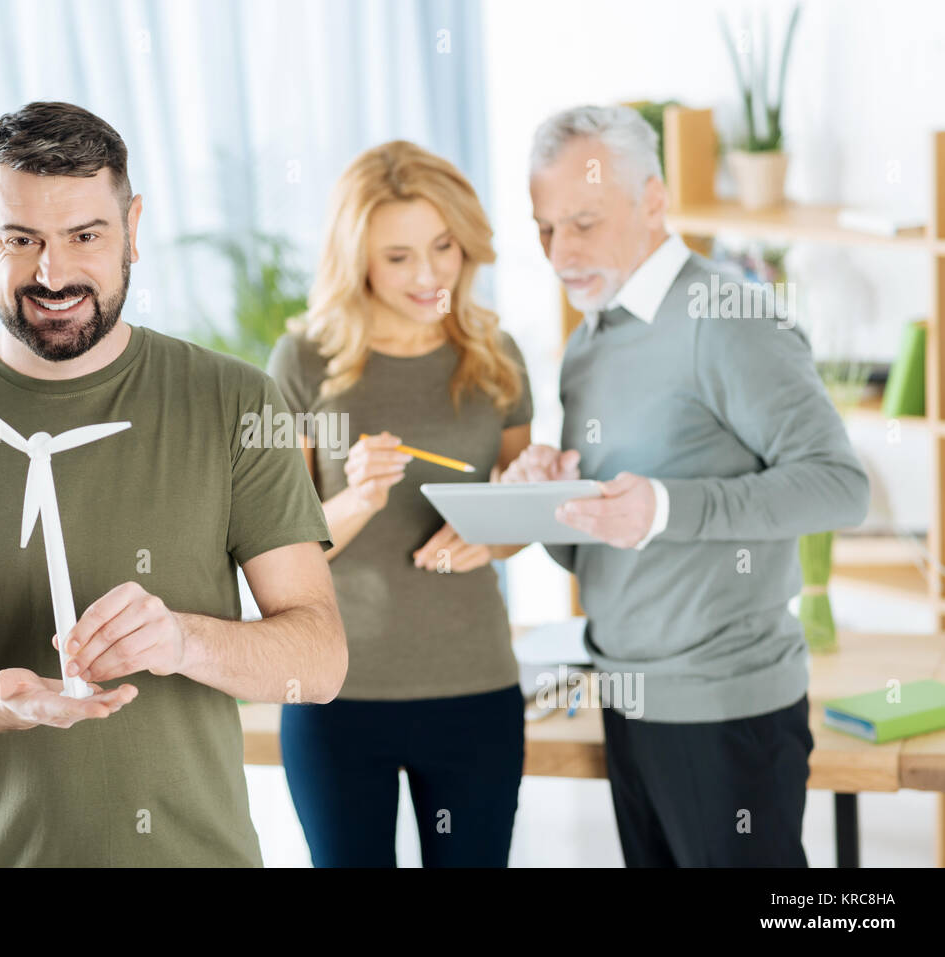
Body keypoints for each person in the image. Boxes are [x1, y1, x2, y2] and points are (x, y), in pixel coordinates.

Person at [0, 101, 346, 867]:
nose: (53, 273)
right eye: (21, 239)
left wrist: (182, 639)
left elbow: (321, 662)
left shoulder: (235, 401)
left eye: (85, 235)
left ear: (132, 227)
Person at [503, 104, 870, 866]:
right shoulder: (589, 343)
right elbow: (597, 556)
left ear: (654, 201)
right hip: (627, 701)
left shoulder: (727, 319)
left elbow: (839, 486)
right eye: (545, 227)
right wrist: (547, 505)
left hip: (724, 708)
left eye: (584, 221)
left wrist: (667, 506)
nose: (560, 251)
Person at [268, 140, 534, 867]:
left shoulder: (496, 356)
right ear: (356, 259)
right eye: (398, 257)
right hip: (337, 697)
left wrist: (494, 528)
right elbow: (282, 555)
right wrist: (357, 497)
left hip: (474, 686)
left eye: (443, 246)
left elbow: (520, 515)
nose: (428, 274)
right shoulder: (305, 365)